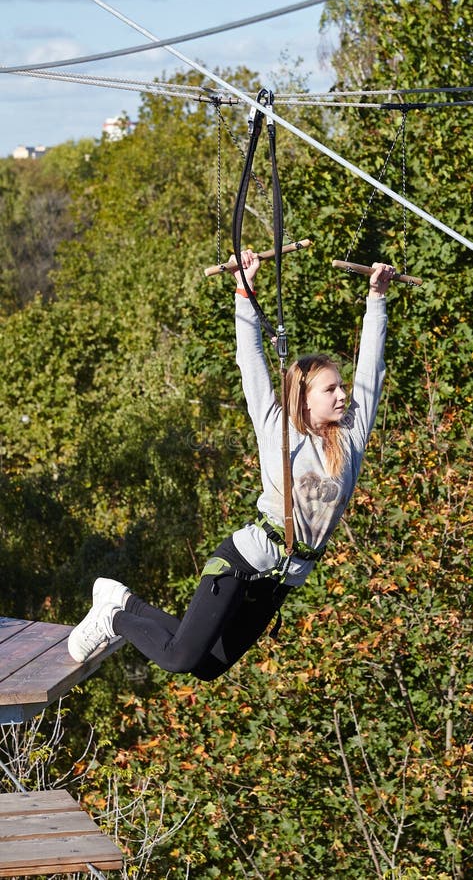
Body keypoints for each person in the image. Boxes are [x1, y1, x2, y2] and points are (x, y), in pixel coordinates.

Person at [68, 251, 394, 679]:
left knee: (207, 667)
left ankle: (124, 602)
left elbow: (372, 372)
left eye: (340, 388)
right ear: (304, 396)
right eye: (330, 389)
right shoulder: (278, 427)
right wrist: (245, 290)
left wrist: (377, 298)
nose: (341, 395)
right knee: (180, 659)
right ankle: (113, 618)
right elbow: (251, 363)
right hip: (245, 561)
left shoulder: (348, 441)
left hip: (278, 583)